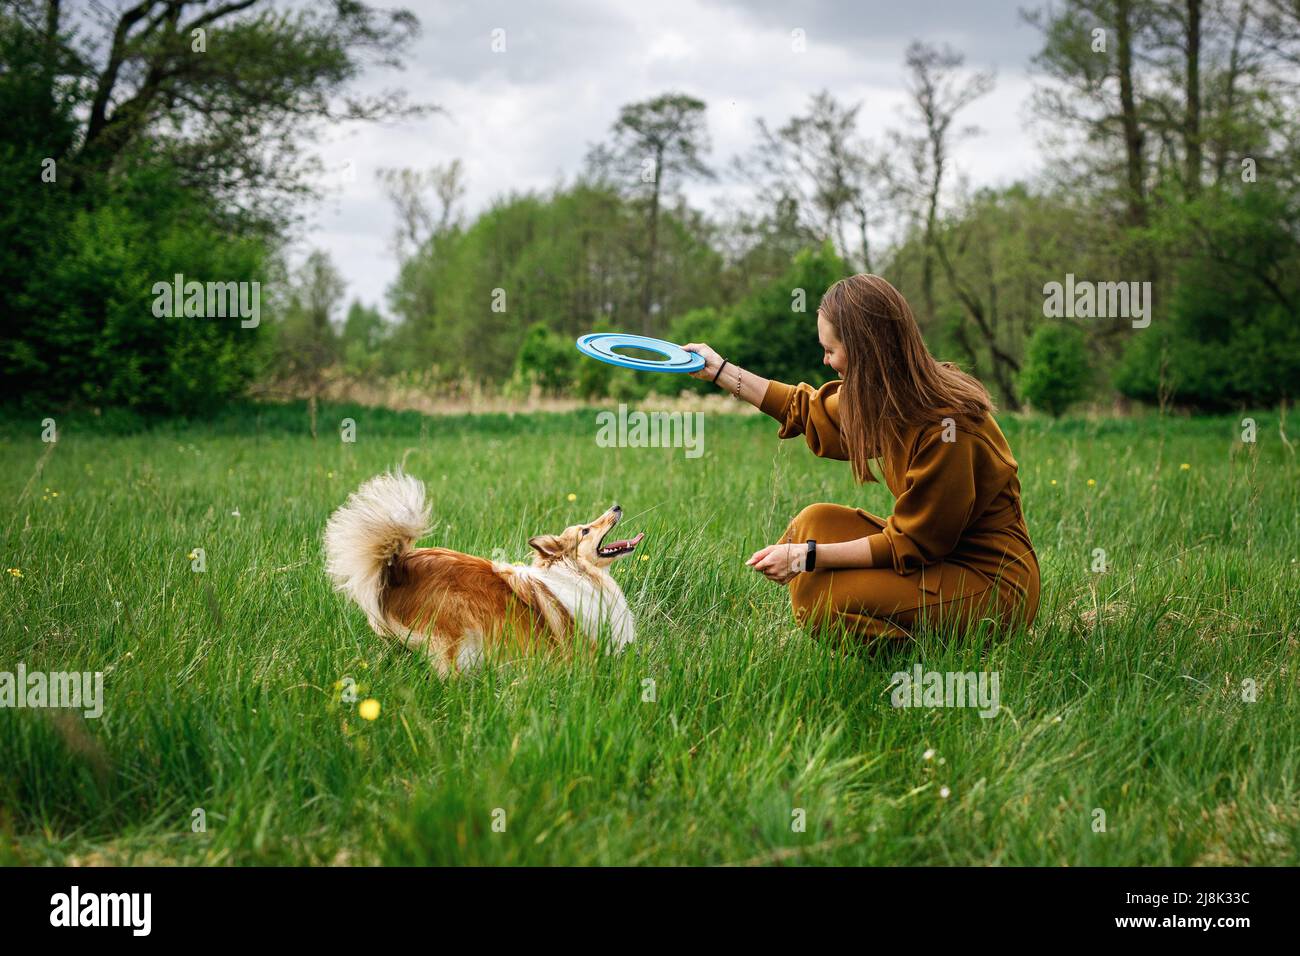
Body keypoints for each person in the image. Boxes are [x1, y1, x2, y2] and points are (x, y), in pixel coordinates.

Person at [683, 273, 1040, 644]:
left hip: (991, 585)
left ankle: (929, 660)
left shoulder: (948, 429)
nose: (824, 360)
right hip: (939, 562)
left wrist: (805, 557)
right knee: (813, 522)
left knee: (825, 601)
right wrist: (720, 371)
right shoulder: (890, 397)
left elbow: (912, 543)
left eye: (830, 349)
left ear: (866, 348)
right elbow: (806, 409)